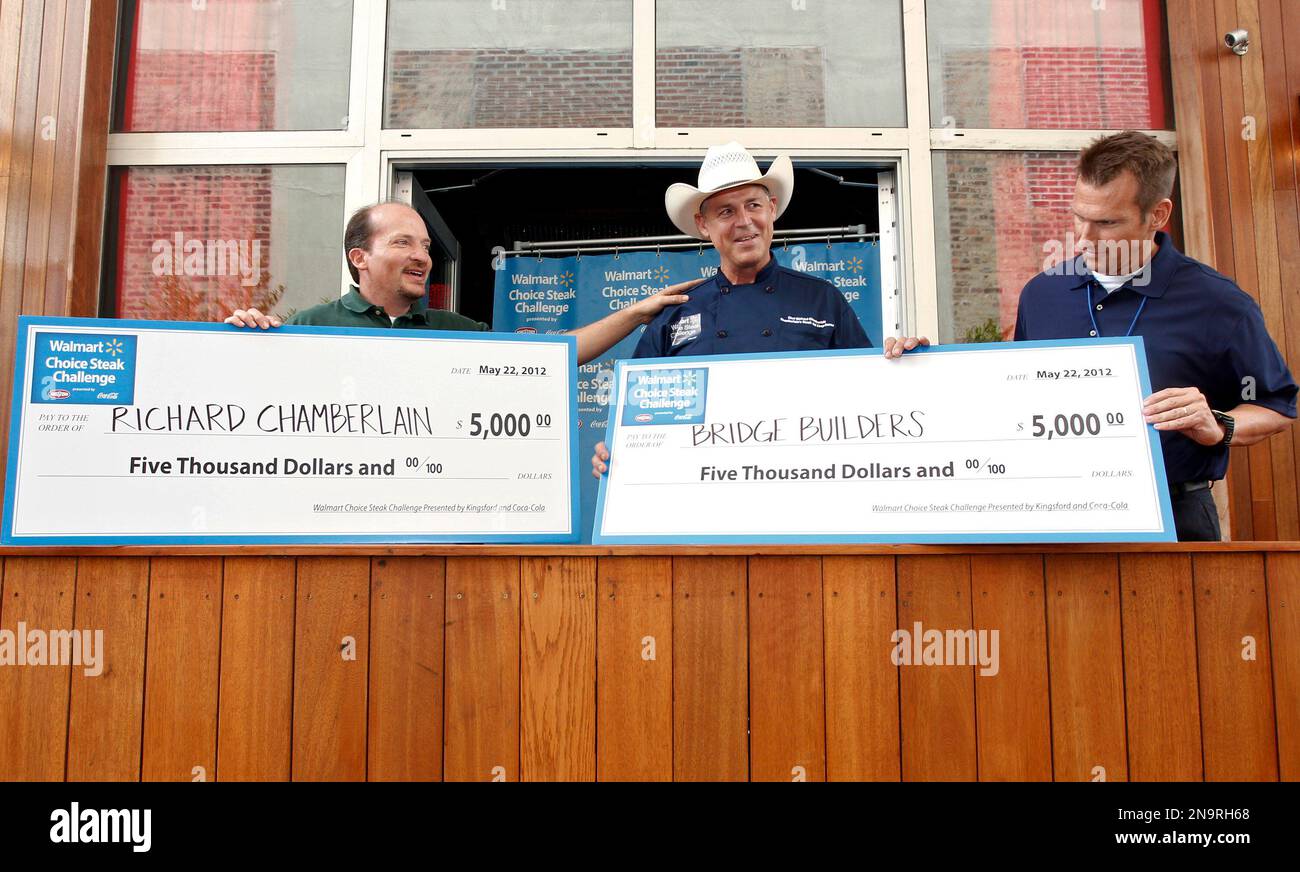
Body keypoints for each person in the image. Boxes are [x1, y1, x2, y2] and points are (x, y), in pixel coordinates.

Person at [1013, 130, 1297, 541]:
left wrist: (1218, 424)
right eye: (1079, 216)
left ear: (1158, 214)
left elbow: (1277, 407)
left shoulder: (1220, 303)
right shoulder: (1041, 294)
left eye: (1107, 222)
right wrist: (917, 366)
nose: (1083, 238)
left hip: (1176, 518)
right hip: (1059, 516)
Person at [592, 141, 928, 478]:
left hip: (801, 487)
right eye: (726, 211)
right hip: (704, 501)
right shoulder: (676, 313)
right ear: (704, 224)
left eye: (753, 205)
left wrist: (904, 366)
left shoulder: (822, 299)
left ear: (771, 209)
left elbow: (871, 401)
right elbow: (636, 419)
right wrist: (617, 451)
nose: (744, 221)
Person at [224, 200, 695, 365]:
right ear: (359, 257)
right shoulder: (310, 326)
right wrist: (247, 339)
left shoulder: (458, 329)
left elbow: (560, 355)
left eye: (426, 247)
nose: (421, 257)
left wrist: (638, 312)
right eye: (403, 243)